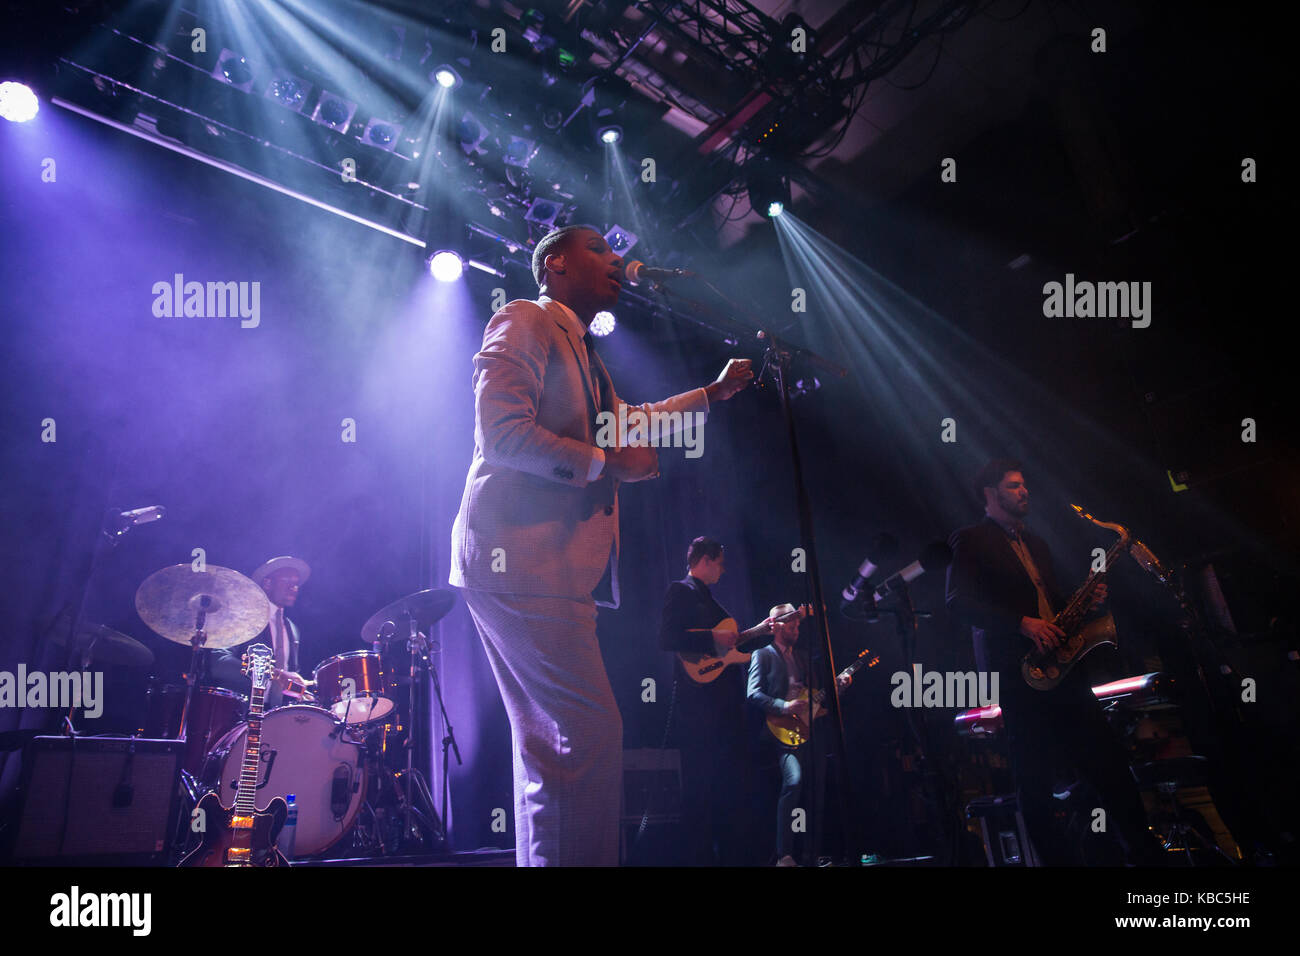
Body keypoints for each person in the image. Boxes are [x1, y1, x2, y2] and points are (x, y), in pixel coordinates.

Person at [449, 224, 754, 866]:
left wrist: (712, 394)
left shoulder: (585, 352)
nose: (618, 261)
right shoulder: (525, 318)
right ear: (555, 264)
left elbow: (628, 423)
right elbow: (502, 434)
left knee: (555, 745)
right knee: (586, 733)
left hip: (546, 566)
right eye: (600, 250)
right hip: (522, 556)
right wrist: (603, 465)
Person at [945, 459, 1163, 865]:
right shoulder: (971, 539)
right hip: (1019, 673)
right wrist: (1021, 624)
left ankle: (1144, 855)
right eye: (1014, 486)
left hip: (1064, 671)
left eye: (1024, 485)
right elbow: (957, 603)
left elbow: (1051, 608)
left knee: (1109, 763)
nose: (1024, 491)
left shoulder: (1037, 543)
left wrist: (1084, 603)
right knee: (1035, 779)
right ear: (991, 494)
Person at [658, 537, 753, 865]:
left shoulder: (710, 600)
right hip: (699, 707)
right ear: (706, 560)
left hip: (722, 705)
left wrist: (759, 631)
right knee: (701, 786)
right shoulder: (680, 590)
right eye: (720, 562)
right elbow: (668, 637)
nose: (724, 568)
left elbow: (729, 647)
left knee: (727, 785)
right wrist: (712, 637)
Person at [747, 602, 850, 866]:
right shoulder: (763, 655)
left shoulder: (804, 656)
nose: (797, 627)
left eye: (798, 622)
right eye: (791, 623)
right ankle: (785, 855)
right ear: (777, 626)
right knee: (794, 782)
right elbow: (753, 693)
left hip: (810, 731)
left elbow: (815, 699)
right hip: (781, 733)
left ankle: (811, 855)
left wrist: (837, 689)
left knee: (817, 790)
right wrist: (784, 706)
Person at [209, 555, 311, 710]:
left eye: (296, 584)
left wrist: (299, 688)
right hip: (238, 713)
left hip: (276, 716)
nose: (294, 588)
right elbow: (219, 663)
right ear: (267, 583)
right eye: (287, 582)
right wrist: (276, 674)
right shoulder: (244, 617)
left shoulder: (292, 629)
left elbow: (289, 677)